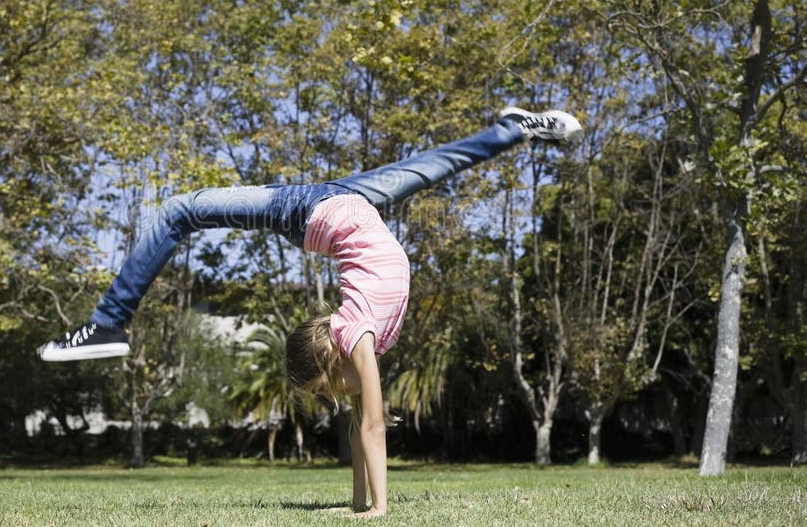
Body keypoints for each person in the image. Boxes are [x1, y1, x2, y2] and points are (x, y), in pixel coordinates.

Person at [37, 106, 582, 517]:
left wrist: (381, 511)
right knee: (438, 165)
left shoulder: (356, 332)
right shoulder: (362, 338)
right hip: (354, 201)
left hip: (310, 208)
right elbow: (359, 428)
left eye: (322, 388)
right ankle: (513, 128)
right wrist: (357, 506)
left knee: (180, 210)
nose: (330, 397)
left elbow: (372, 426)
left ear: (327, 355)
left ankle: (109, 322)